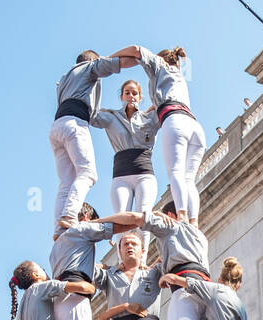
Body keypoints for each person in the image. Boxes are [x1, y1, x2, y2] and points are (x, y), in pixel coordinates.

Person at [117, 45, 205, 223]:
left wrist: (107, 59)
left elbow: (136, 49)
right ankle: (194, 221)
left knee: (176, 173)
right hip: (194, 126)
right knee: (189, 179)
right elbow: (164, 103)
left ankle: (181, 215)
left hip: (175, 122)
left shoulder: (160, 64)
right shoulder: (178, 76)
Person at [50, 48, 126, 235]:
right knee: (88, 173)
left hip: (57, 127)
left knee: (66, 182)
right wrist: (137, 57)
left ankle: (59, 228)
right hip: (74, 124)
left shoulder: (67, 78)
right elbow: (112, 64)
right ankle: (69, 215)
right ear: (92, 60)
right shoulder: (89, 67)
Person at [92, 79, 158, 223]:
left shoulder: (150, 118)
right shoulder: (111, 116)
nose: (131, 96)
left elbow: (166, 102)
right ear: (122, 96)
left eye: (135, 93)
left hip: (144, 173)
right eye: (127, 93)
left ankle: (144, 247)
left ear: (140, 98)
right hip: (121, 175)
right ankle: (120, 245)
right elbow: (91, 116)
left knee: (144, 216)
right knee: (120, 217)